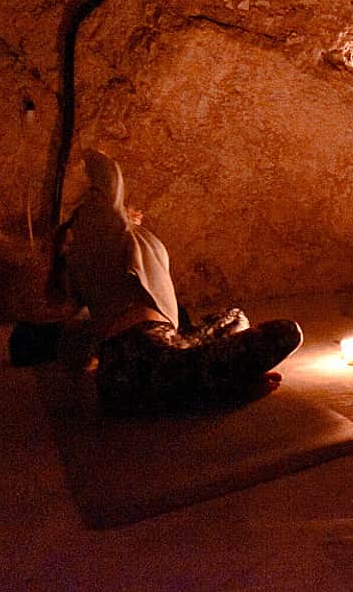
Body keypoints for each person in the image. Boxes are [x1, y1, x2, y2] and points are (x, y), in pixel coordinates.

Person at [45, 149, 302, 413]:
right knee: (286, 332)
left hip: (154, 355)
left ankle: (208, 382)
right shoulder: (97, 232)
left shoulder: (113, 250)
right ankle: (218, 386)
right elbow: (107, 176)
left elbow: (76, 346)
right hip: (142, 357)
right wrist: (87, 149)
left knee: (234, 318)